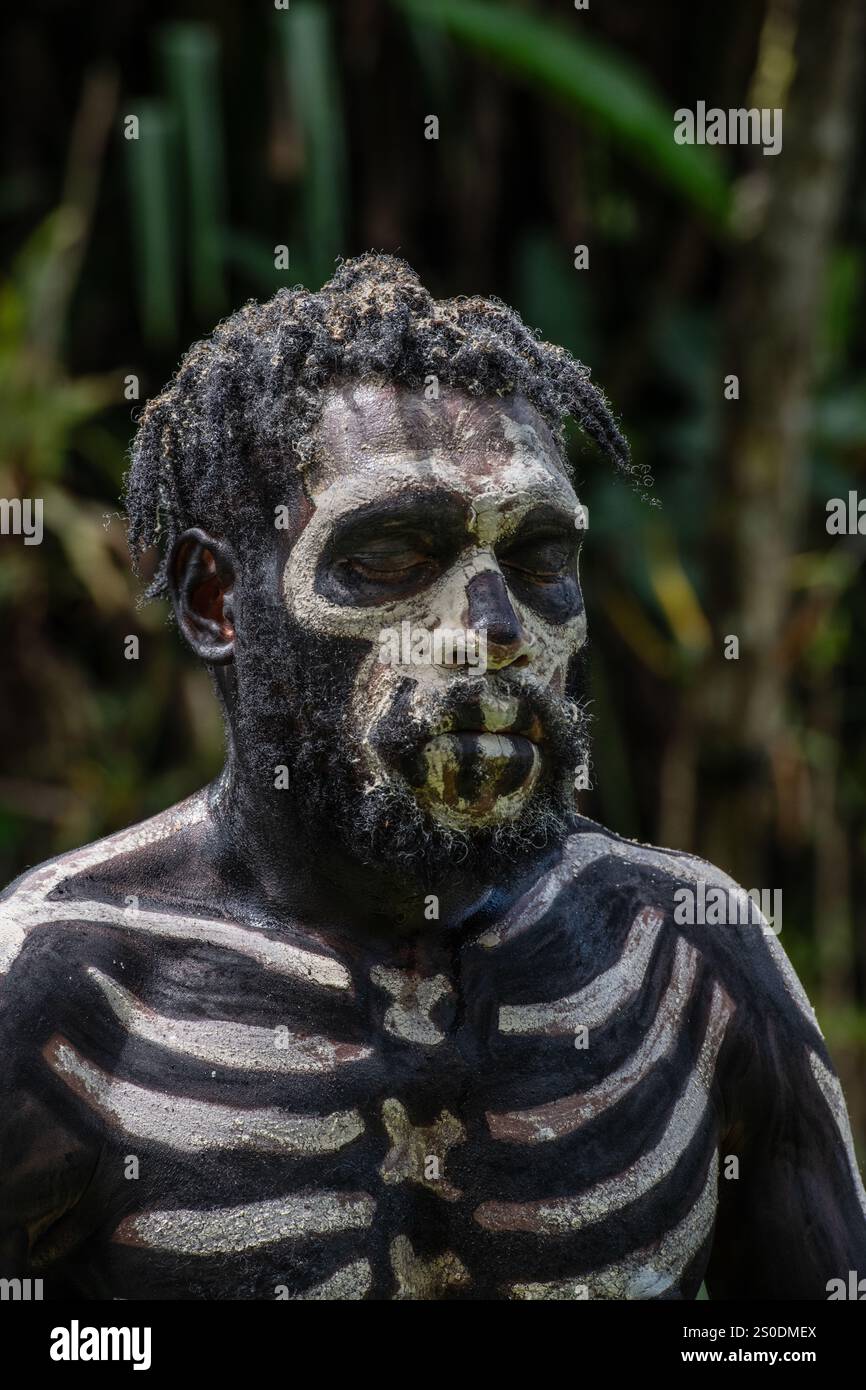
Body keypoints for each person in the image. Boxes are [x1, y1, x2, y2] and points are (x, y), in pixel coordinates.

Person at [1, 254, 864, 1300]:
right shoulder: (63, 987)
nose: (491, 634)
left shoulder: (686, 960)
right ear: (215, 600)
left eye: (539, 561)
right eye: (393, 556)